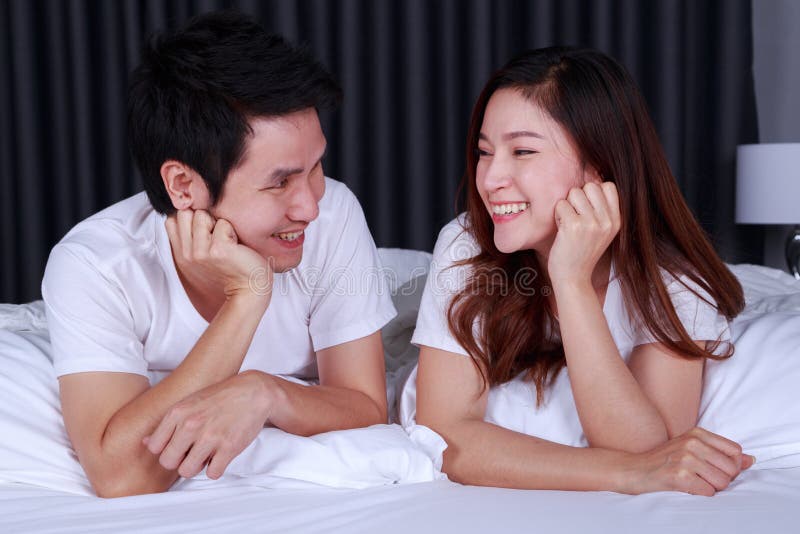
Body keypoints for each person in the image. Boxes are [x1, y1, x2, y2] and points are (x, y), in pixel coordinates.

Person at [42, 11, 396, 498]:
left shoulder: (334, 212)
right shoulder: (95, 265)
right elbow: (119, 475)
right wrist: (247, 298)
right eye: (280, 182)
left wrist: (263, 391)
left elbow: (365, 405)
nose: (311, 205)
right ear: (184, 186)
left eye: (317, 167)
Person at [407, 47, 753, 496]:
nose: (490, 178)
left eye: (523, 151)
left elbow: (646, 446)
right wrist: (625, 475)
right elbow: (443, 434)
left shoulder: (674, 281)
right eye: (484, 152)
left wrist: (570, 282)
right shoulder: (467, 244)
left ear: (600, 166)